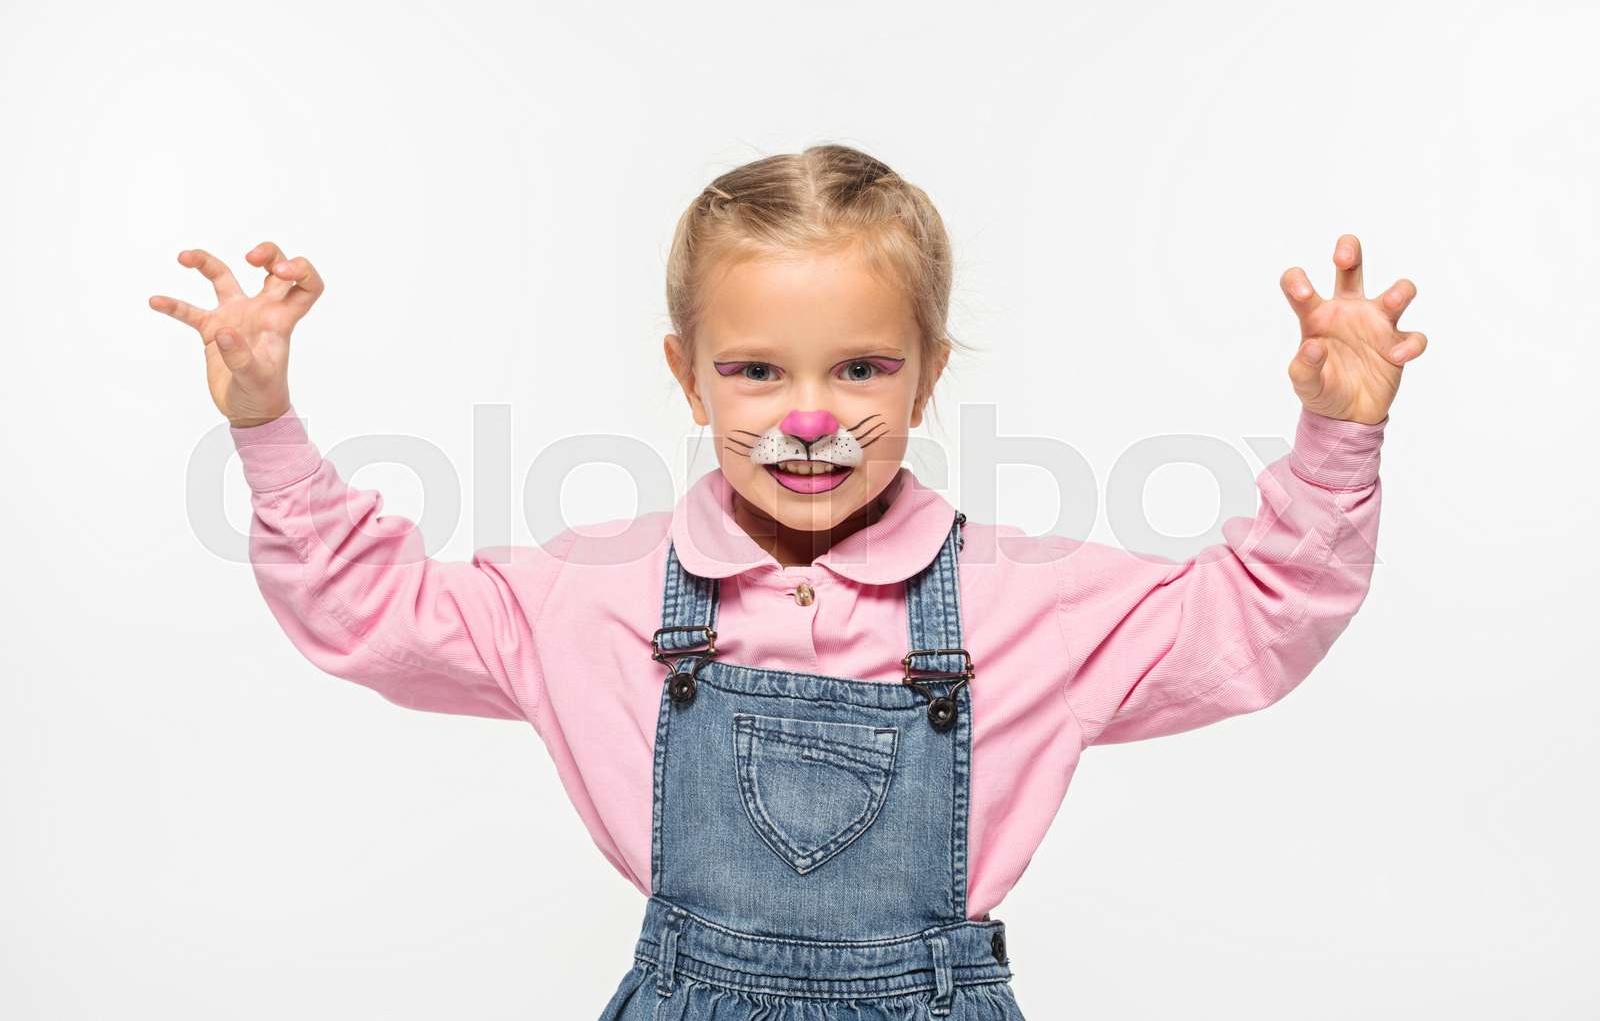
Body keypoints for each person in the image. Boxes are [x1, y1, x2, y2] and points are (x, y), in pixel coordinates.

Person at [149, 143, 1427, 1019]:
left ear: (928, 375)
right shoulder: (591, 594)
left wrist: (1336, 437)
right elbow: (374, 615)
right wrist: (266, 422)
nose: (809, 419)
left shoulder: (1020, 600)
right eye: (756, 371)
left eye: (861, 369)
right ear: (685, 373)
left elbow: (1254, 619)